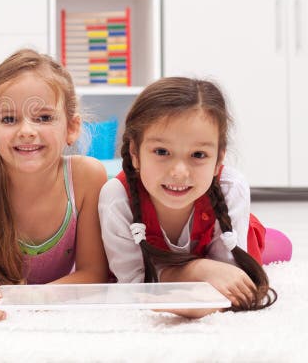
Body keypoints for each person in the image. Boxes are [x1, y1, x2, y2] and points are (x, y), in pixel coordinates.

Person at [0, 49, 110, 322]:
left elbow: (94, 273)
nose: (26, 130)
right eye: (10, 119)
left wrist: (36, 297)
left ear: (71, 128)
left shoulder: (87, 178)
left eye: (44, 118)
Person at [98, 77, 286, 318]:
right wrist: (199, 268)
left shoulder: (231, 188)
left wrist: (203, 297)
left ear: (219, 159)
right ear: (135, 153)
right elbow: (133, 282)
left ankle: (269, 237)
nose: (179, 172)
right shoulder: (116, 197)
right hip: (192, 254)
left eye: (198, 154)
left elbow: (229, 276)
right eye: (162, 152)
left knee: (276, 247)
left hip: (235, 233)